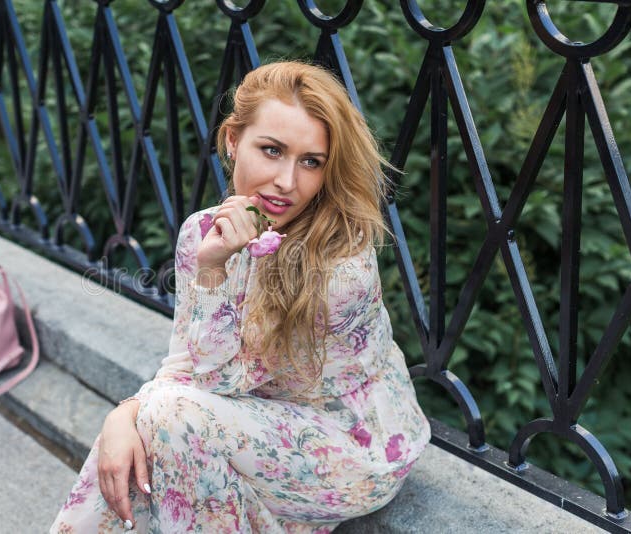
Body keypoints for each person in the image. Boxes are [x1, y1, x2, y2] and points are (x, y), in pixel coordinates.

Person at [50, 61, 430, 533]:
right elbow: (184, 361)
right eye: (271, 150)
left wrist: (212, 273)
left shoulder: (341, 263)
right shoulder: (203, 232)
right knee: (157, 428)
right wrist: (124, 416)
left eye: (311, 161)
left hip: (353, 447)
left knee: (169, 422)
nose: (287, 182)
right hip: (247, 423)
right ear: (232, 140)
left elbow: (218, 384)